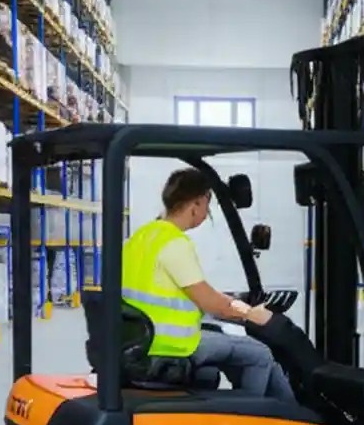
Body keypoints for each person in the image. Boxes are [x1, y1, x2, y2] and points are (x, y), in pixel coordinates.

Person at [121, 168, 295, 401]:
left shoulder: (141, 237)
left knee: (233, 353)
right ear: (198, 203)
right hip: (170, 346)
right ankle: (246, 422)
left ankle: (296, 418)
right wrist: (252, 313)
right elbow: (211, 303)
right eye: (207, 206)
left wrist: (228, 300)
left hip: (141, 340)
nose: (206, 213)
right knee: (260, 355)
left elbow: (177, 292)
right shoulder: (175, 244)